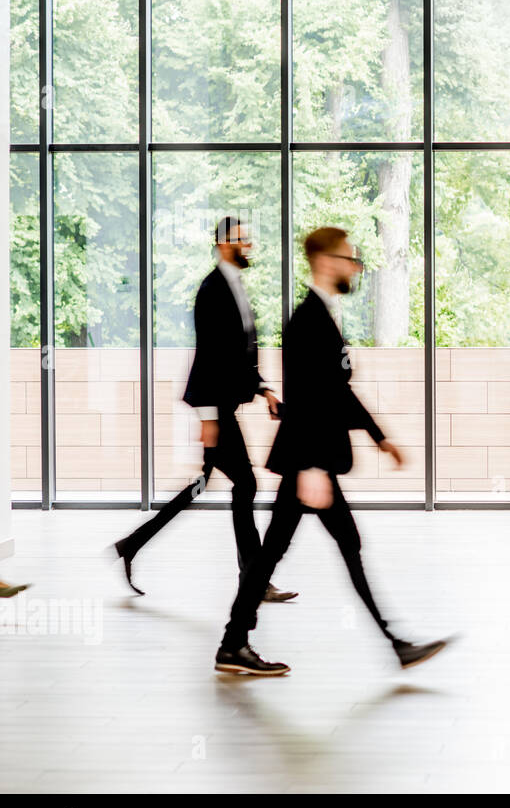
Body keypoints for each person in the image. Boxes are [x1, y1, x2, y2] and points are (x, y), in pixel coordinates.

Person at [214, 227, 448, 676]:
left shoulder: (322, 316)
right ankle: (394, 644)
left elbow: (337, 392)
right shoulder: (307, 322)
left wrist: (379, 437)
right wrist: (313, 467)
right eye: (350, 258)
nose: (355, 267)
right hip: (309, 463)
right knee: (314, 550)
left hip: (310, 462)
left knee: (283, 553)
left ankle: (234, 643)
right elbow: (306, 400)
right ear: (325, 261)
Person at [109, 217, 296, 603]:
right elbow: (209, 358)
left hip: (224, 405)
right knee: (244, 485)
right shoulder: (212, 290)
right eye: (244, 240)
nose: (250, 246)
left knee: (206, 484)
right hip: (217, 410)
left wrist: (264, 390)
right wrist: (208, 418)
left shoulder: (233, 286)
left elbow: (238, 355)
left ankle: (132, 543)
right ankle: (254, 578)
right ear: (225, 242)